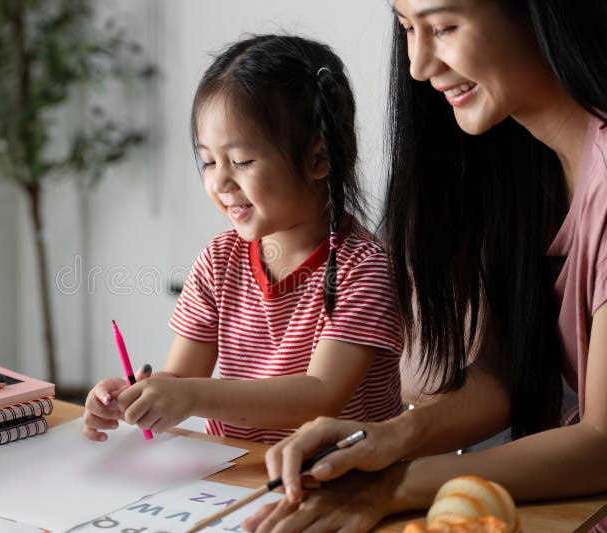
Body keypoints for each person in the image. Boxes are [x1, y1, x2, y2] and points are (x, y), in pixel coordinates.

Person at [242, 0, 607, 531]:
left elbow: (601, 443)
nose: (418, 64)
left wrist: (394, 486)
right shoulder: (523, 165)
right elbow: (498, 381)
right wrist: (384, 438)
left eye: (445, 27)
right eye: (408, 28)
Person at [82, 34, 403, 445]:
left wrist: (190, 395)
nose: (220, 181)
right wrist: (135, 397)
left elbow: (320, 395)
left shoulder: (363, 269)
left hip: (341, 480)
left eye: (241, 161)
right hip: (239, 475)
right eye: (209, 161)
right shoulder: (219, 261)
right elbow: (181, 378)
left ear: (319, 159)